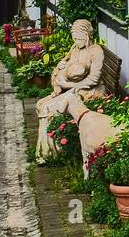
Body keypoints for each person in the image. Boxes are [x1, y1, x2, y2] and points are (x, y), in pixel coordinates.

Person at [35, 19, 105, 163]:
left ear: (87, 35)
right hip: (73, 87)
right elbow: (67, 65)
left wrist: (67, 86)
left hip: (89, 90)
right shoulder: (75, 48)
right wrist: (62, 65)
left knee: (47, 108)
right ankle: (48, 149)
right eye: (74, 38)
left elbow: (93, 80)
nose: (76, 41)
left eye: (79, 38)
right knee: (40, 104)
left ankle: (54, 153)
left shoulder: (96, 51)